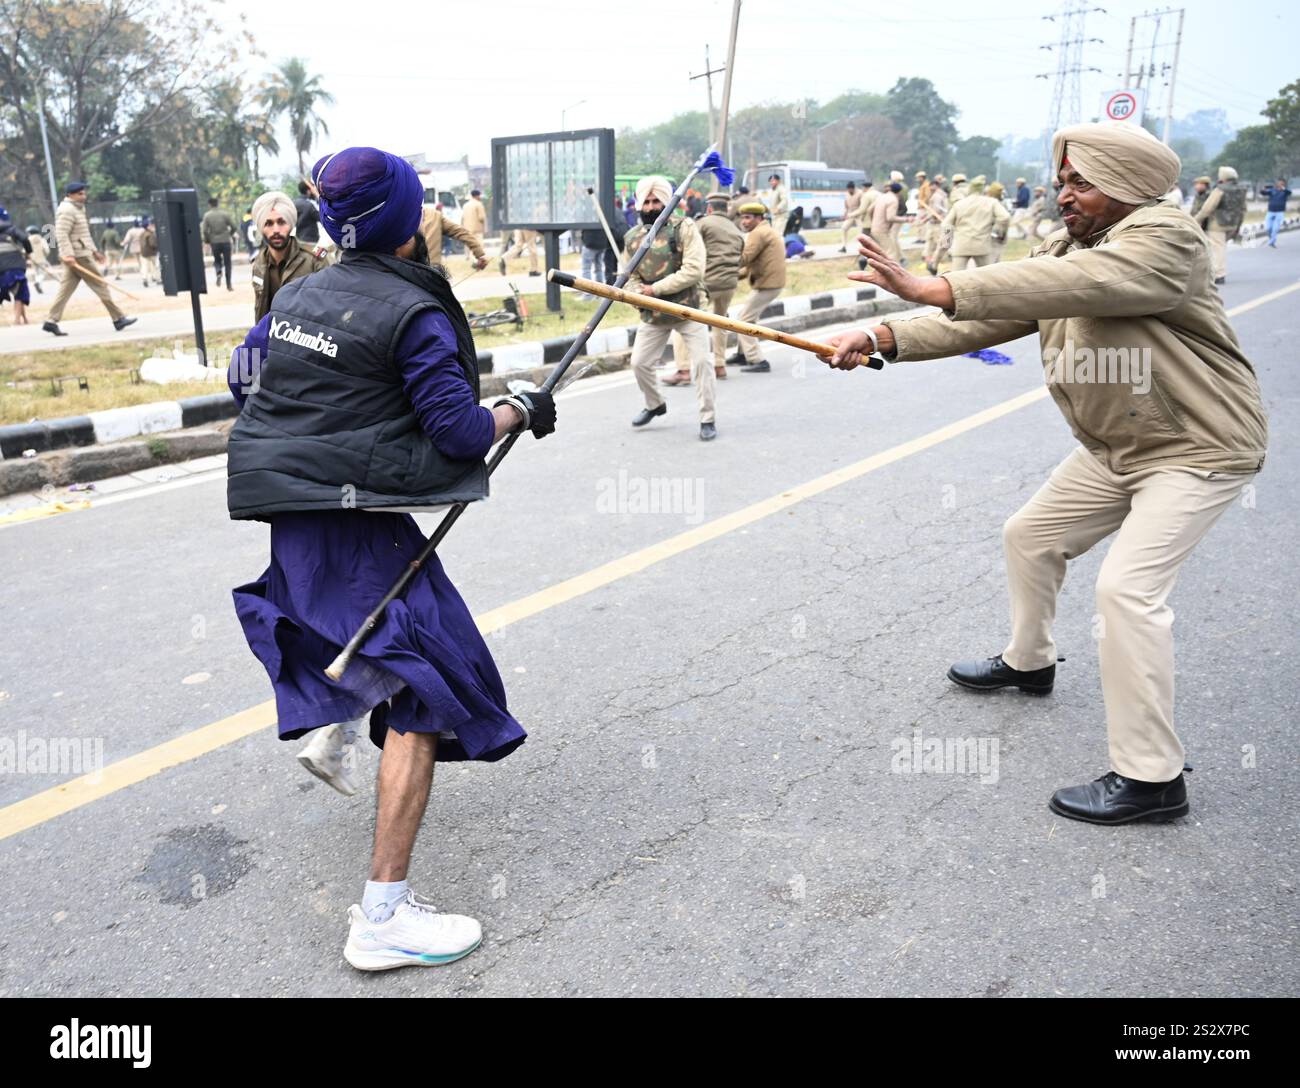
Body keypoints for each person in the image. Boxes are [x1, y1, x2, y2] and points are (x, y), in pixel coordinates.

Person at [827, 121, 1267, 826]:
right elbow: (993, 317)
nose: (1064, 194)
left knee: (1126, 592)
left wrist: (939, 283)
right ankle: (1029, 663)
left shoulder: (1167, 240)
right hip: (1119, 446)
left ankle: (1152, 780)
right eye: (1061, 181)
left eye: (1081, 183)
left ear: (1126, 187)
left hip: (1195, 446)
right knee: (1030, 536)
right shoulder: (1075, 244)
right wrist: (882, 337)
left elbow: (1074, 283)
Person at [226, 146, 557, 971]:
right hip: (354, 529)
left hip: (309, 523)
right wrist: (518, 407)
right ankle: (381, 917)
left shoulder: (301, 292)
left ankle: (342, 723)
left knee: (396, 645)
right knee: (429, 689)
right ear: (410, 219)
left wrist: (338, 417)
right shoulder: (410, 313)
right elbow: (457, 431)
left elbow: (245, 375)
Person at [624, 175, 717, 440]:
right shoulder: (632, 237)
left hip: (687, 309)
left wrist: (655, 290)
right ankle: (655, 404)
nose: (652, 207)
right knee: (639, 364)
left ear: (668, 202)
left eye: (658, 201)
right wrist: (635, 294)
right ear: (639, 204)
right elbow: (628, 276)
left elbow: (694, 270)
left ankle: (707, 418)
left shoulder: (684, 227)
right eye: (647, 201)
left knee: (701, 363)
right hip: (653, 314)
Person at [42, 181, 135, 336]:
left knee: (65, 290)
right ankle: (118, 318)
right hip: (78, 256)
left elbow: (83, 234)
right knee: (101, 285)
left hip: (81, 253)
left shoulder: (77, 208)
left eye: (84, 193)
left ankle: (51, 321)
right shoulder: (67, 210)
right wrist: (68, 254)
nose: (84, 196)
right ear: (70, 195)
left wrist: (94, 251)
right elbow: (61, 234)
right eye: (80, 194)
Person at [682, 192, 742, 380]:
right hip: (730, 283)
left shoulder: (703, 224)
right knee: (721, 322)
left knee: (684, 320)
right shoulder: (735, 228)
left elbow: (689, 247)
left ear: (709, 208)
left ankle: (682, 369)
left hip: (708, 282)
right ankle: (720, 365)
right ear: (726, 209)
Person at [250, 190, 329, 322]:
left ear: (291, 224)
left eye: (281, 222)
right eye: (268, 223)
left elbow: (329, 308)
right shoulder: (259, 264)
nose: (276, 230)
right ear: (261, 228)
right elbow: (260, 309)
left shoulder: (315, 260)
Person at [733, 200, 786, 374]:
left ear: (759, 218)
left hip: (767, 284)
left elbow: (744, 258)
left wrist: (722, 261)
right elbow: (753, 262)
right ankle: (742, 353)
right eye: (742, 218)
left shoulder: (758, 233)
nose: (744, 222)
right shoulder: (766, 230)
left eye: (748, 218)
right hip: (771, 282)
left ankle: (758, 359)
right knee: (747, 317)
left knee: (744, 320)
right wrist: (735, 275)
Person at [1193, 165, 1245, 285]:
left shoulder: (1220, 189)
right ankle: (1215, 272)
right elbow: (1243, 209)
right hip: (1233, 223)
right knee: (1220, 248)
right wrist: (1238, 225)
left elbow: (1207, 208)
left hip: (1218, 224)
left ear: (1223, 177)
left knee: (1217, 249)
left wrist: (1196, 220)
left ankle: (1219, 275)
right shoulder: (1241, 189)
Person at [419, 205, 487, 274]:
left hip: (430, 271)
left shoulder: (434, 216)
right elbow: (461, 232)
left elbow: (460, 232)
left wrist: (480, 254)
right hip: (426, 271)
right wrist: (480, 255)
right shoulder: (433, 215)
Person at [0, 206, 33, 324]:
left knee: (15, 291)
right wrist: (28, 252)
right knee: (19, 292)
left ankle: (24, 319)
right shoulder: (12, 230)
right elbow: (24, 238)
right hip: (15, 266)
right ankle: (17, 320)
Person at [202, 196, 238, 290]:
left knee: (217, 260)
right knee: (227, 263)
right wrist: (229, 234)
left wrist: (207, 240)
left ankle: (218, 272)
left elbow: (205, 230)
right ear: (217, 203)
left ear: (209, 205)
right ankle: (229, 285)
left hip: (214, 242)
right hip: (226, 241)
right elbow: (234, 226)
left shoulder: (207, 215)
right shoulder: (225, 214)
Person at [869, 181, 906, 263]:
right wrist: (906, 219)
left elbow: (870, 210)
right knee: (891, 253)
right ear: (899, 192)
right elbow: (890, 217)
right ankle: (890, 274)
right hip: (882, 230)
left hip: (875, 228)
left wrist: (873, 222)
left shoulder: (881, 197)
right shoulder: (893, 200)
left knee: (884, 252)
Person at [922, 175, 949, 275]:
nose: (929, 188)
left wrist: (926, 218)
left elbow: (936, 210)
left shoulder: (937, 196)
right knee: (930, 239)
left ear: (935, 185)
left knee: (938, 241)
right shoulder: (940, 194)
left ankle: (937, 259)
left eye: (931, 186)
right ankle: (927, 257)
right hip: (935, 222)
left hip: (937, 222)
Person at [1260, 177, 1291, 248]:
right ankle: (1271, 239)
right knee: (1268, 228)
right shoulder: (1272, 190)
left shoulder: (1285, 192)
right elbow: (1263, 193)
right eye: (1279, 183)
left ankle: (1271, 242)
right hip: (1270, 212)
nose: (1280, 184)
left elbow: (1289, 192)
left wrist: (1284, 189)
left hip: (1279, 213)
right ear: (1277, 183)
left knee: (1275, 229)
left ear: (1284, 184)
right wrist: (1263, 189)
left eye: (1281, 183)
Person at [984, 181, 1010, 262]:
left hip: (993, 236)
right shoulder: (1002, 203)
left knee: (991, 262)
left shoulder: (992, 204)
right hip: (999, 237)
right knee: (996, 260)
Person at [25, 224, 55, 293]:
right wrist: (45, 256)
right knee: (42, 273)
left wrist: (28, 258)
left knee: (36, 273)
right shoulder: (42, 240)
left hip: (32, 260)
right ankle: (38, 283)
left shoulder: (27, 240)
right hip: (41, 259)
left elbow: (25, 251)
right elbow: (47, 250)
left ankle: (39, 287)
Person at [840, 180, 863, 253]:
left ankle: (862, 249)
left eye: (850, 189)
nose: (849, 190)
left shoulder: (860, 193)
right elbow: (846, 206)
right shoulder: (847, 194)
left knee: (861, 232)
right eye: (848, 189)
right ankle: (844, 246)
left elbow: (862, 207)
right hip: (850, 214)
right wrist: (844, 214)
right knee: (844, 228)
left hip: (859, 215)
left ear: (853, 188)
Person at [763, 173, 789, 239]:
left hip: (781, 216)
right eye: (770, 181)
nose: (771, 182)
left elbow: (784, 200)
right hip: (774, 216)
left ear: (778, 181)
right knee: (774, 234)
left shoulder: (781, 189)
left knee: (778, 235)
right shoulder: (773, 190)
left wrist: (778, 208)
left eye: (773, 180)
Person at [139, 217, 160, 287]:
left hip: (143, 253)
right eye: (150, 224)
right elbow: (152, 244)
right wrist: (157, 247)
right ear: (148, 226)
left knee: (144, 267)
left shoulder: (142, 234)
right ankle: (158, 279)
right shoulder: (150, 234)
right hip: (152, 253)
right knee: (156, 266)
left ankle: (144, 279)